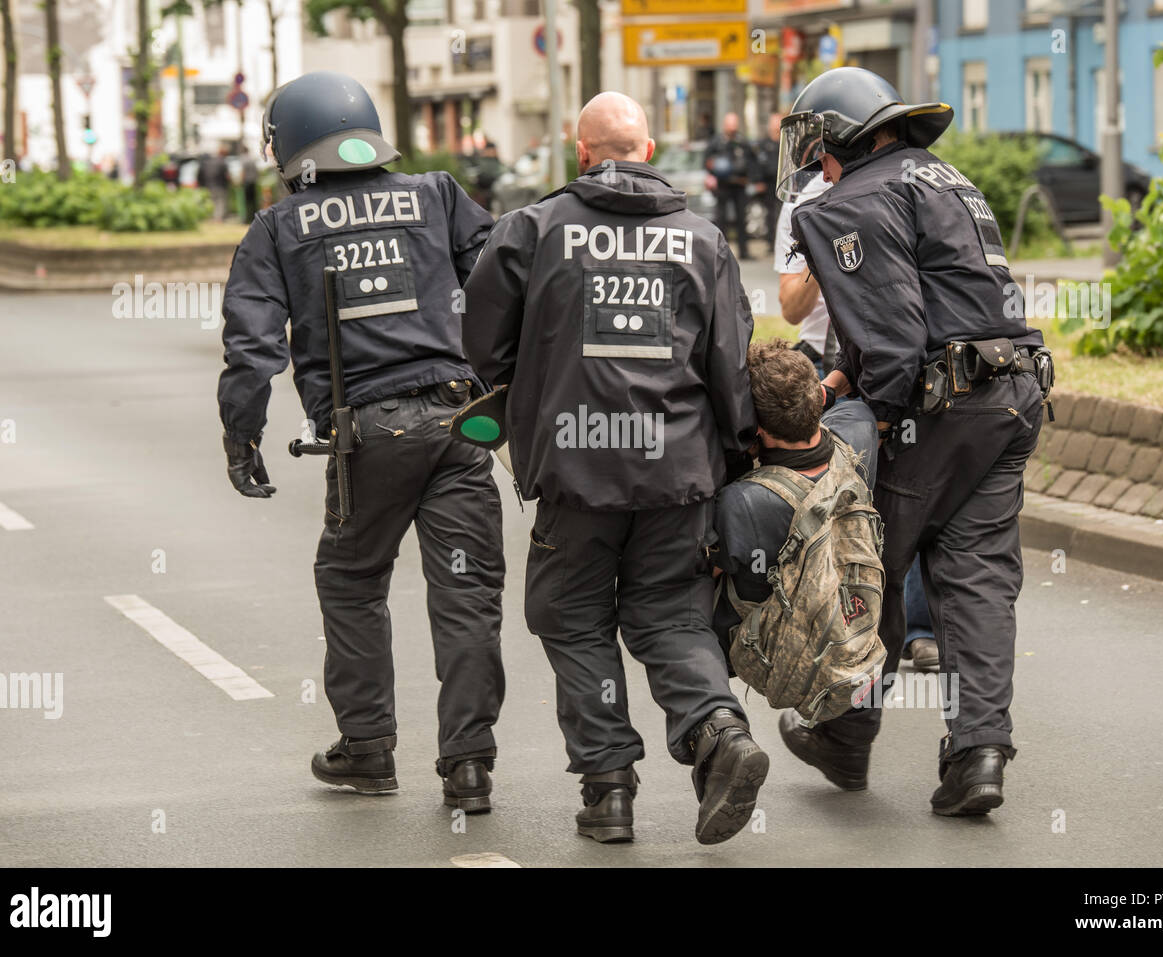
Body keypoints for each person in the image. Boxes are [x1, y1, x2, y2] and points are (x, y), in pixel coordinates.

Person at [462, 91, 768, 846]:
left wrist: (526, 391)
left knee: (569, 617)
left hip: (576, 469)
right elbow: (731, 368)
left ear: (581, 152)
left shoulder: (530, 231)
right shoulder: (704, 240)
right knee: (670, 612)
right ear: (650, 151)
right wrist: (737, 456)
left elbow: (479, 343)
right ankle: (719, 729)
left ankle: (609, 791)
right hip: (678, 473)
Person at [217, 71, 506, 813]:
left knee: (350, 582)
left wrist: (241, 435)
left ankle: (369, 748)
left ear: (289, 147)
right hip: (459, 424)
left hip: (366, 435)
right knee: (466, 594)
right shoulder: (438, 195)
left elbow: (252, 349)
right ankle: (469, 764)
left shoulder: (278, 228)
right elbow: (505, 288)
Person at [779, 67, 1051, 816]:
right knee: (977, 576)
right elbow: (930, 298)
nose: (814, 167)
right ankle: (979, 752)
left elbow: (894, 343)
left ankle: (845, 732)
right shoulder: (944, 177)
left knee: (873, 564)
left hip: (939, 404)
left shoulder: (851, 200)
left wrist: (876, 425)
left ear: (840, 136)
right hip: (1013, 391)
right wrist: (838, 377)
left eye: (817, 149)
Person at [712, 339, 879, 704]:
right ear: (817, 398)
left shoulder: (739, 501)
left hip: (769, 646)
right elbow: (841, 406)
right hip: (848, 620)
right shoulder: (860, 431)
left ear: (755, 425)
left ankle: (712, 704)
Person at [774, 157, 838, 377]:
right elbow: (792, 311)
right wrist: (819, 253)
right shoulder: (804, 198)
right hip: (822, 358)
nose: (824, 171)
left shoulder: (891, 188)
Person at [704, 112, 754, 259]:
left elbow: (752, 161)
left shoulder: (742, 141)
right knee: (721, 219)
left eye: (734, 124)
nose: (732, 128)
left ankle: (744, 252)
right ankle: (720, 252)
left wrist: (752, 178)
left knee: (742, 218)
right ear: (725, 125)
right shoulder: (716, 142)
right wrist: (710, 173)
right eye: (729, 124)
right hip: (722, 185)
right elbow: (706, 161)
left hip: (740, 184)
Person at [754, 113, 783, 248]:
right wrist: (758, 181)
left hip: (784, 182)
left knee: (783, 212)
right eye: (773, 123)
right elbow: (757, 164)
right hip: (768, 183)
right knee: (770, 213)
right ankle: (771, 242)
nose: (775, 126)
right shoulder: (763, 144)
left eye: (777, 122)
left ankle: (783, 240)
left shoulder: (785, 141)